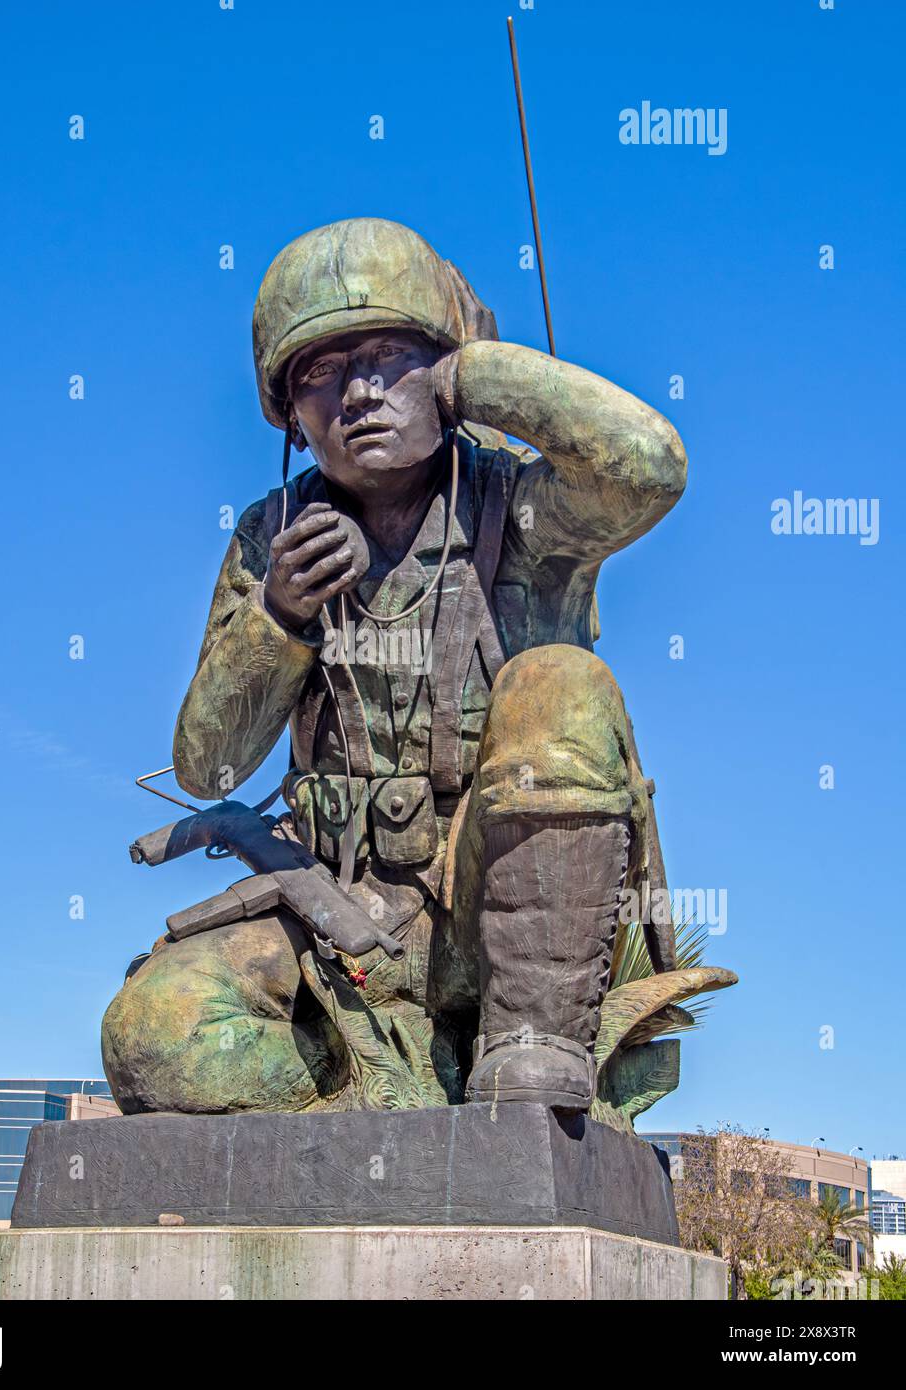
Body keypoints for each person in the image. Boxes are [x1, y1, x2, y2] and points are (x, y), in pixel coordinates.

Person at [102, 217, 686, 1116]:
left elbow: (648, 466)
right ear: (291, 418)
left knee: (559, 681)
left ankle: (529, 1054)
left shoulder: (525, 507)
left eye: (388, 356)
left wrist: (474, 374)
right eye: (320, 374)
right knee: (153, 1034)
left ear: (440, 369)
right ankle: (396, 1101)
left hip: (511, 923)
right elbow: (207, 767)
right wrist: (278, 617)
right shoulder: (271, 541)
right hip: (346, 921)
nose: (359, 393)